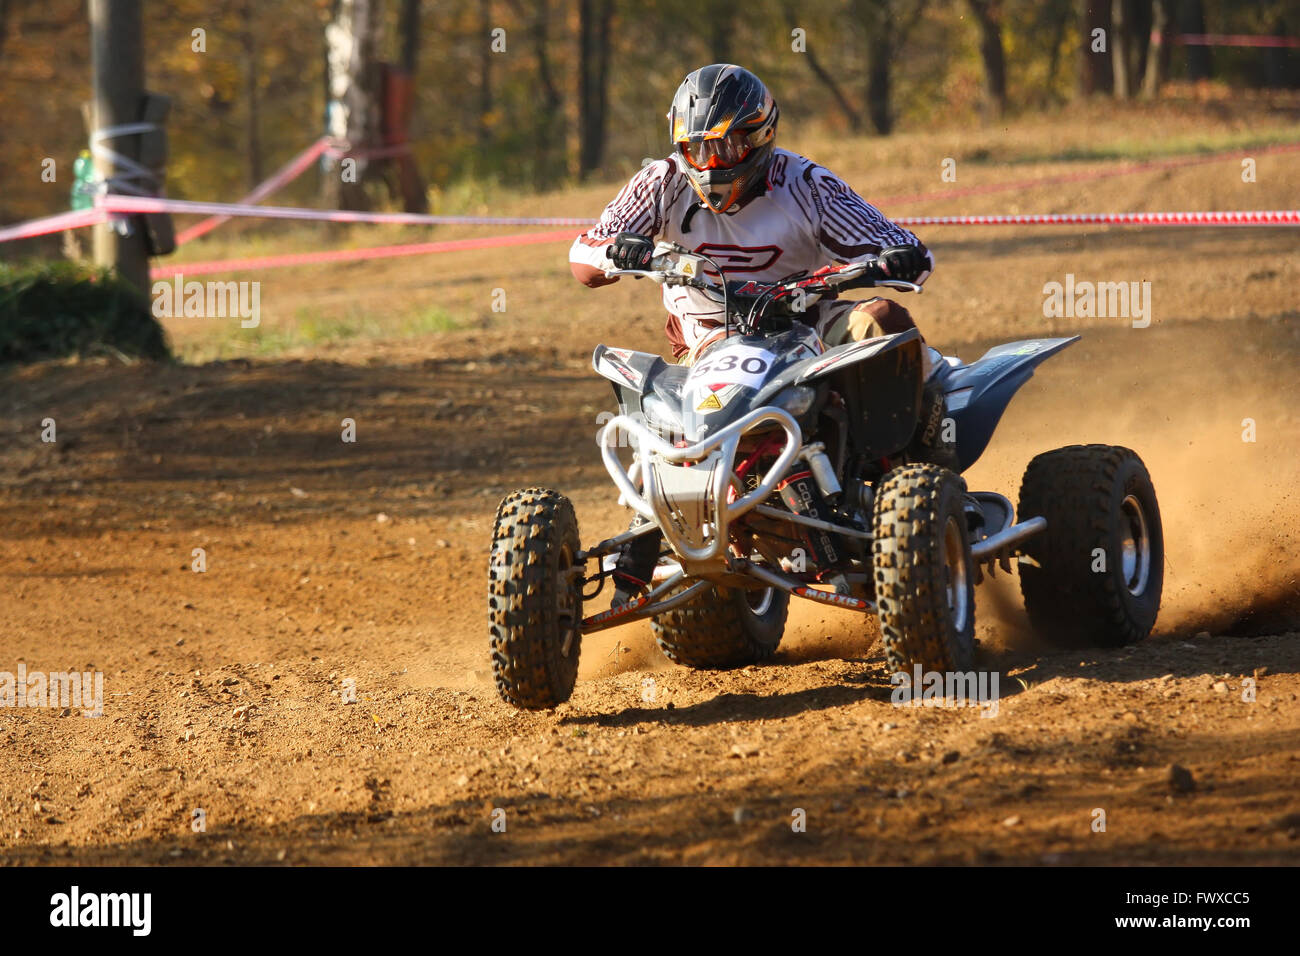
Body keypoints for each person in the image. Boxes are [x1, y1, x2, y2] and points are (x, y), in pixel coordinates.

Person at [568, 63, 955, 604]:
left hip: (809, 333)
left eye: (723, 149)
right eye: (695, 149)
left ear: (758, 138)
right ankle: (648, 538)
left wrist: (883, 261)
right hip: (708, 346)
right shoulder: (661, 182)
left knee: (879, 323)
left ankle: (912, 478)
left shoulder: (805, 185)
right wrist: (622, 251)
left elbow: (908, 255)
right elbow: (584, 256)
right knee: (650, 412)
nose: (708, 165)